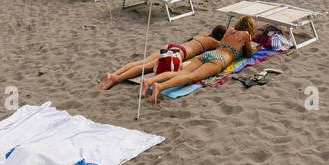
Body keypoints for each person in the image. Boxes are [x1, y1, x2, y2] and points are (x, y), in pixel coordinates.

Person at [141, 17, 256, 103]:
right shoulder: (246, 34)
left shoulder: (230, 30)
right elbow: (249, 54)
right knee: (191, 77)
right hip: (219, 60)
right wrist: (249, 40)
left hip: (209, 54)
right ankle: (160, 87)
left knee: (182, 73)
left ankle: (149, 81)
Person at [99, 26, 227, 89]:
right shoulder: (215, 42)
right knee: (148, 67)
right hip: (180, 52)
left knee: (142, 62)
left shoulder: (204, 35)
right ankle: (117, 78)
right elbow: (226, 45)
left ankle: (113, 74)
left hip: (174, 45)